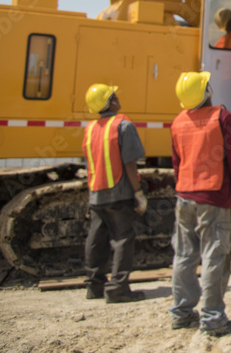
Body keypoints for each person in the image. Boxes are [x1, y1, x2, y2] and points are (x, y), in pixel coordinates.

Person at [169, 71, 231, 336]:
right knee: (214, 256)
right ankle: (213, 318)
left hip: (185, 196)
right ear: (206, 92)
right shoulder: (221, 117)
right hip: (213, 197)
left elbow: (176, 163)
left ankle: (181, 313)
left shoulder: (178, 122)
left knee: (184, 255)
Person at [81, 83, 148, 303]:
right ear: (111, 102)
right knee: (122, 239)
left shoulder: (90, 129)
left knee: (96, 238)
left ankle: (94, 286)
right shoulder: (124, 126)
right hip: (119, 192)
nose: (118, 98)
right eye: (115, 96)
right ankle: (118, 288)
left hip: (96, 192)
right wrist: (137, 192)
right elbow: (130, 162)